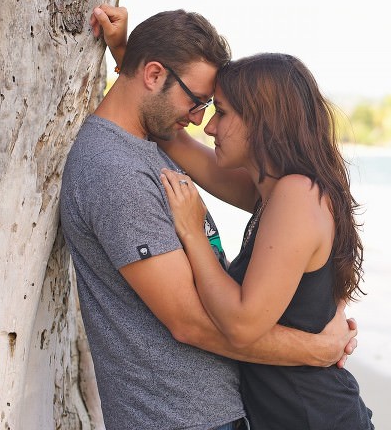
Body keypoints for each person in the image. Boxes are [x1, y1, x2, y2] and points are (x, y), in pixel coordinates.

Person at [60, 7, 357, 430]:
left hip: (264, 412)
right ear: (153, 74)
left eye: (216, 109)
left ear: (261, 123)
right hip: (186, 415)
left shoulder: (287, 191)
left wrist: (130, 56)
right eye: (198, 102)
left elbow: (171, 126)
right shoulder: (115, 170)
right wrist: (317, 350)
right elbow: (190, 322)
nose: (203, 122)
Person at [159, 53, 375, 429]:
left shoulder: (296, 194)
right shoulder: (276, 191)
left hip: (316, 418)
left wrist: (193, 232)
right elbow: (175, 141)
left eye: (222, 113)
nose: (209, 128)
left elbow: (242, 326)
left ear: (262, 120)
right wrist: (130, 57)